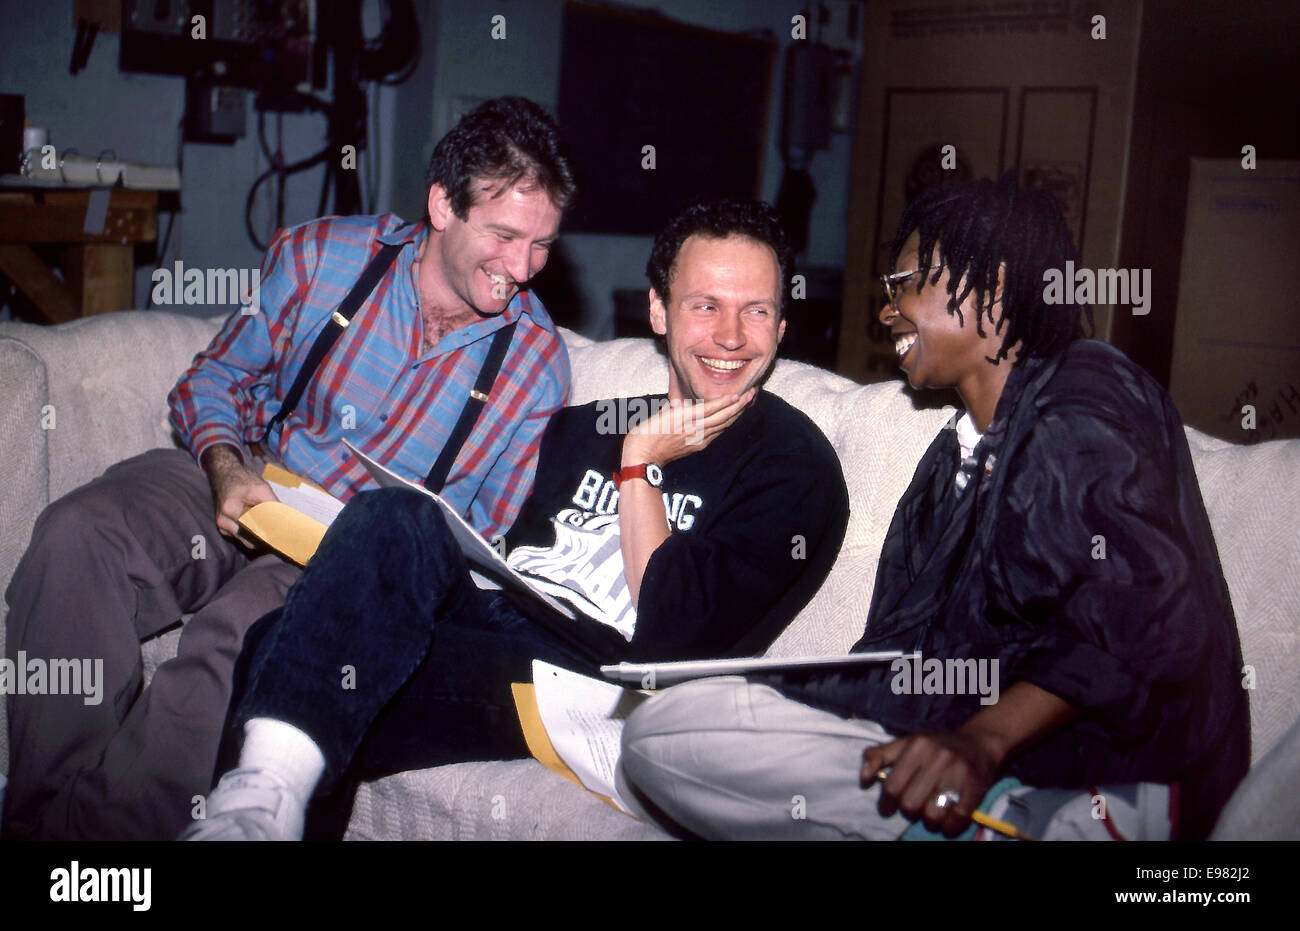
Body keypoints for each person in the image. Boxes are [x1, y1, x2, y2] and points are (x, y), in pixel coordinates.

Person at [181, 198, 850, 841]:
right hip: (501, 621)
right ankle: (257, 813)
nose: (731, 336)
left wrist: (639, 463)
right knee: (392, 516)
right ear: (659, 310)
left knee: (285, 655)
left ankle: (254, 813)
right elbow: (506, 553)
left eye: (756, 310)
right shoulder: (584, 428)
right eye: (705, 306)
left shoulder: (792, 467)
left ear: (783, 326)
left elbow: (670, 641)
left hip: (597, 678)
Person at [3, 96, 576, 841]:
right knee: (78, 535)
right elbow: (212, 381)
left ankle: (104, 859)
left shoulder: (534, 364)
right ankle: (39, 829)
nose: (521, 270)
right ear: (442, 204)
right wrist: (224, 463)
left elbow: (492, 534)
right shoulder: (323, 256)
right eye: (504, 235)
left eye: (542, 245)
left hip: (342, 557)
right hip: (248, 471)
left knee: (237, 642)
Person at [617, 175, 1250, 842]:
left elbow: (1129, 613)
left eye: (904, 285)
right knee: (671, 729)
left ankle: (1029, 819)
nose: (886, 313)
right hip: (954, 762)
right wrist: (780, 695)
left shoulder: (1090, 389)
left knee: (676, 731)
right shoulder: (943, 469)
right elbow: (898, 667)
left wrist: (980, 742)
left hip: (1108, 772)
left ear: (993, 286)